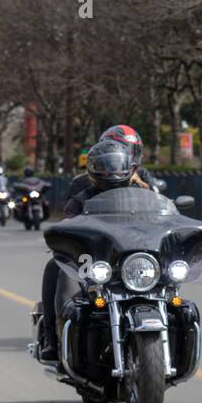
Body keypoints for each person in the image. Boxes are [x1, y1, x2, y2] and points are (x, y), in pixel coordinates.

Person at [36, 138, 149, 362]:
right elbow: (68, 224)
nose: (111, 172)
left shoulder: (143, 195)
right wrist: (64, 237)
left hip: (133, 261)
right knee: (55, 267)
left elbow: (162, 220)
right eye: (105, 167)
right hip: (93, 261)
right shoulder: (81, 198)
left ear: (128, 167)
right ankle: (52, 338)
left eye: (116, 166)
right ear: (93, 169)